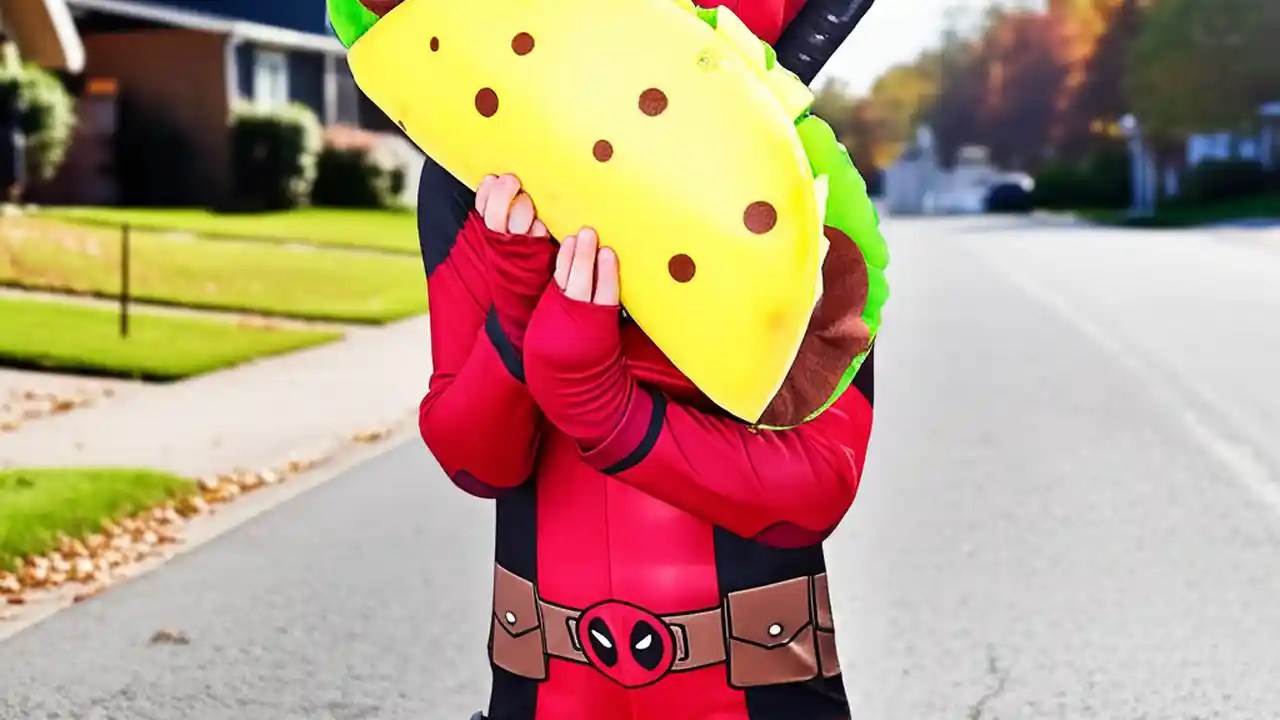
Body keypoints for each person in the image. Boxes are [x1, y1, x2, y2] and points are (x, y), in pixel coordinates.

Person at [418, 2, 879, 718]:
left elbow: (817, 486)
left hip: (758, 690)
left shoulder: (799, 178)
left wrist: (611, 411)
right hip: (544, 688)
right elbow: (475, 461)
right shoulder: (469, 169)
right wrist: (514, 320)